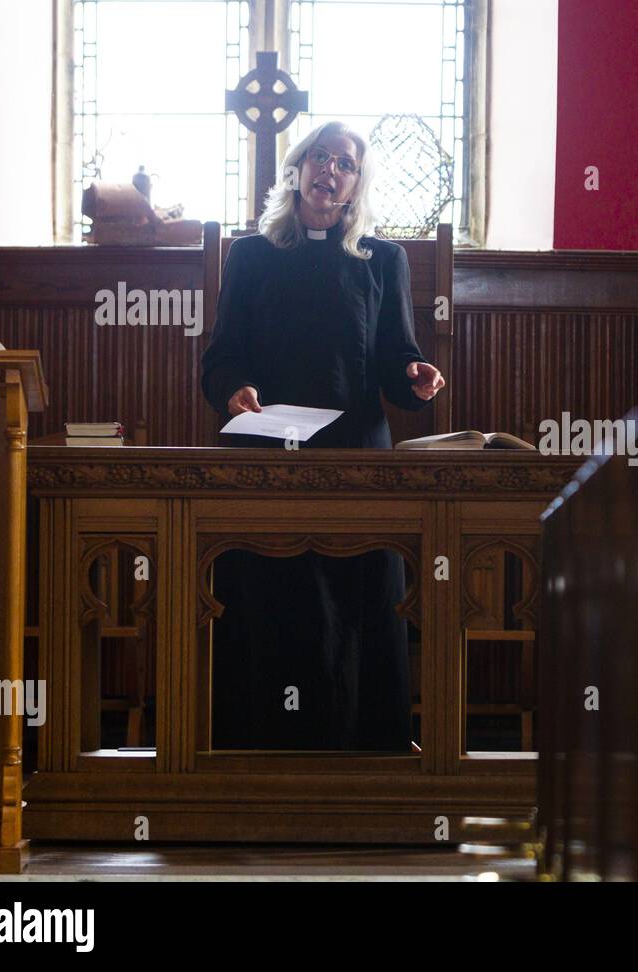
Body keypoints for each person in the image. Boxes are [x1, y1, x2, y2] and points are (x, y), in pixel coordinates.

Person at [200, 120, 445, 752]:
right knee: (269, 599)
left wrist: (414, 376)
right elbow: (223, 357)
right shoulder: (251, 255)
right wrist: (234, 392)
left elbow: (397, 358)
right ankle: (254, 747)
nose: (328, 170)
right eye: (318, 158)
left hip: (355, 461)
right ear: (297, 169)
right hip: (265, 460)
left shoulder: (382, 259)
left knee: (358, 601)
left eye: (344, 163)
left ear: (356, 183)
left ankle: (369, 747)